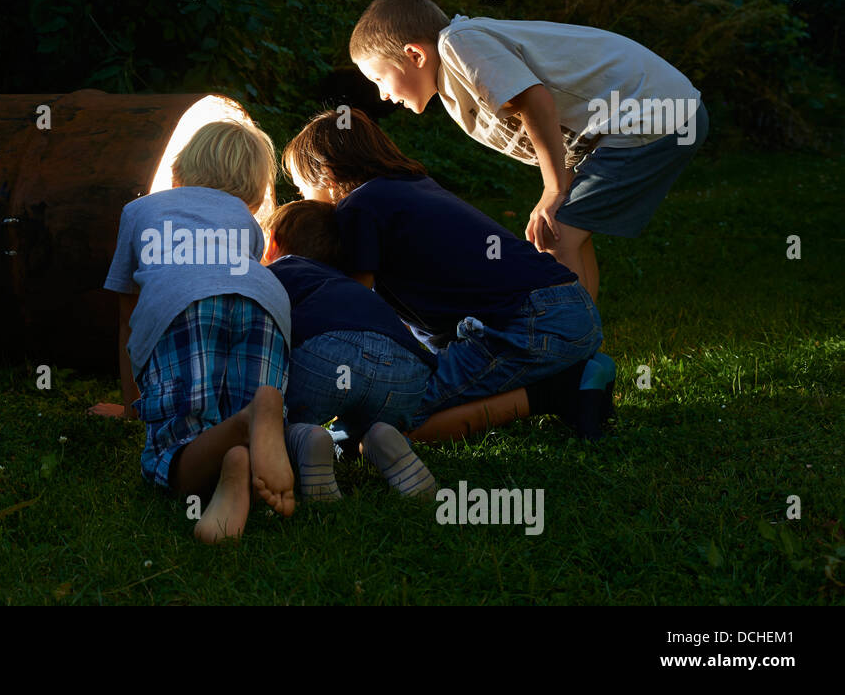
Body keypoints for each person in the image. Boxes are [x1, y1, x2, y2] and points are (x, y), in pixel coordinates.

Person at [349, 0, 709, 303]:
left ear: (414, 55)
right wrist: (560, 185)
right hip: (639, 118)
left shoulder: (458, 43)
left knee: (555, 235)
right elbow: (550, 127)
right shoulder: (452, 87)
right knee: (560, 235)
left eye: (380, 77)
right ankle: (581, 348)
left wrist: (553, 190)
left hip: (652, 109)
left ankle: (571, 353)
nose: (381, 93)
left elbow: (535, 102)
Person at [282, 108, 616, 442]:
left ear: (326, 174)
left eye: (301, 188)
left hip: (531, 323)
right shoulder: (409, 187)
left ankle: (562, 390)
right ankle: (576, 374)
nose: (302, 199)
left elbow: (354, 306)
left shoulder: (357, 208)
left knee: (397, 404)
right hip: (566, 308)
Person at [94, 119, 295, 544]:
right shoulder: (245, 222)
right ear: (257, 191)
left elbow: (128, 319)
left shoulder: (140, 210)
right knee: (231, 421)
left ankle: (243, 429)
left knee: (172, 452)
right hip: (265, 301)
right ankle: (264, 446)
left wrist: (133, 406)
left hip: (183, 301)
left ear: (179, 167)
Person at [263, 198, 437, 501]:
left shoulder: (281, 269)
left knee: (269, 422)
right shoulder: (349, 285)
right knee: (361, 424)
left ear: (273, 243)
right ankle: (378, 438)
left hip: (327, 356)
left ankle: (302, 438)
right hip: (405, 371)